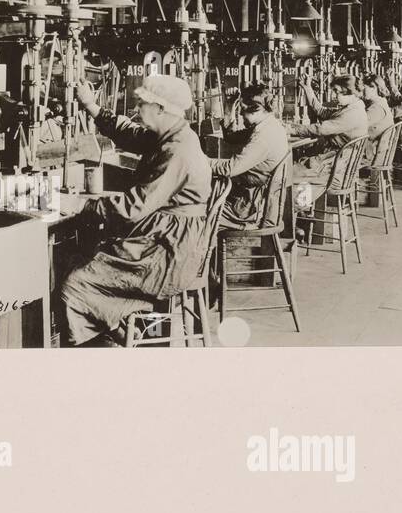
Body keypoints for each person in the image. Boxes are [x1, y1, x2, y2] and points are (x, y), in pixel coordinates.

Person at [60, 73, 212, 347]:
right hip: (164, 241)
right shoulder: (171, 135)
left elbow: (133, 207)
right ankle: (116, 334)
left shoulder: (177, 150)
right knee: (83, 256)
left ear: (161, 109)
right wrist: (90, 105)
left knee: (75, 284)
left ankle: (103, 349)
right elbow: (129, 134)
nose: (136, 109)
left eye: (142, 104)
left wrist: (81, 205)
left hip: (167, 254)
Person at [210, 84, 289, 229]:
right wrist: (229, 105)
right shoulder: (268, 125)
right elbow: (231, 138)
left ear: (256, 109)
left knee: (194, 210)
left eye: (242, 111)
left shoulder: (263, 137)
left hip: (248, 208)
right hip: (252, 199)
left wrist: (197, 161)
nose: (240, 115)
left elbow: (229, 169)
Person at [287, 74, 368, 206]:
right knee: (298, 168)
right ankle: (298, 210)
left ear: (349, 91)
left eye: (337, 92)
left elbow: (321, 129)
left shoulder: (352, 114)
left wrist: (292, 129)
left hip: (337, 169)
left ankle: (293, 211)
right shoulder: (352, 107)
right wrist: (308, 88)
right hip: (338, 162)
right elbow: (322, 111)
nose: (335, 96)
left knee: (291, 174)